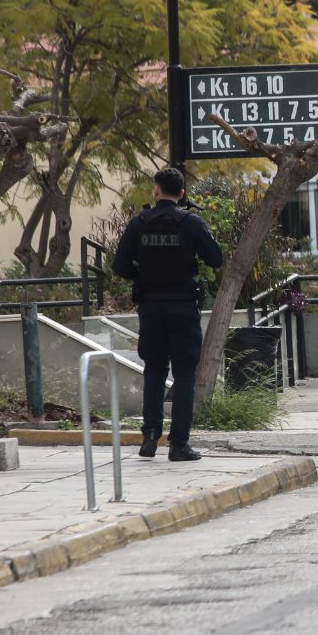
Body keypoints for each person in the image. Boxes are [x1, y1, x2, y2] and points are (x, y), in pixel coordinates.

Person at [112, 168, 223, 462]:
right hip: (183, 307)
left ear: (156, 191)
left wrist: (144, 276)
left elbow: (119, 266)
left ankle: (149, 437)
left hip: (151, 308)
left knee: (155, 371)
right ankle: (178, 445)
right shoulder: (191, 223)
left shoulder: (139, 223)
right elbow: (216, 258)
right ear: (182, 194)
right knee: (184, 374)